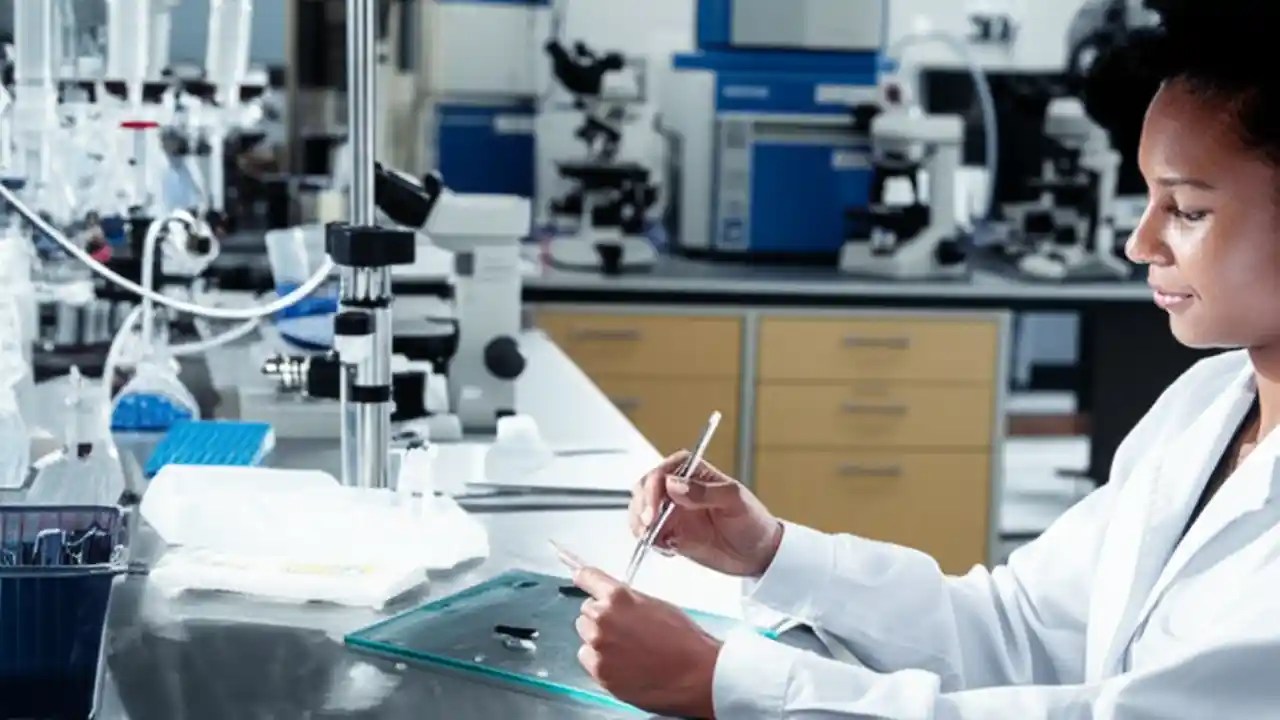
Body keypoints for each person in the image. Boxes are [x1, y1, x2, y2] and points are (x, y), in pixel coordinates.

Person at [567, 3, 1280, 717]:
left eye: (1186, 210)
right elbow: (1018, 630)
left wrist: (726, 682)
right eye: (1147, 199)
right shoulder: (1208, 405)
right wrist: (770, 551)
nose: (1138, 244)